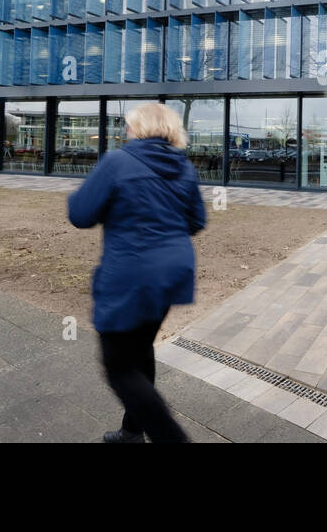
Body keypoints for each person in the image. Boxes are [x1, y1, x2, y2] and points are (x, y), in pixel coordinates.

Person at [67, 102, 206, 443]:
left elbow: (80, 213)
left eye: (128, 125)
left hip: (129, 273)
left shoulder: (117, 161)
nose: (125, 131)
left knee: (119, 367)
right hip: (170, 274)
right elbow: (197, 220)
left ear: (138, 128)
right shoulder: (183, 167)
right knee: (141, 350)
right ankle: (131, 432)